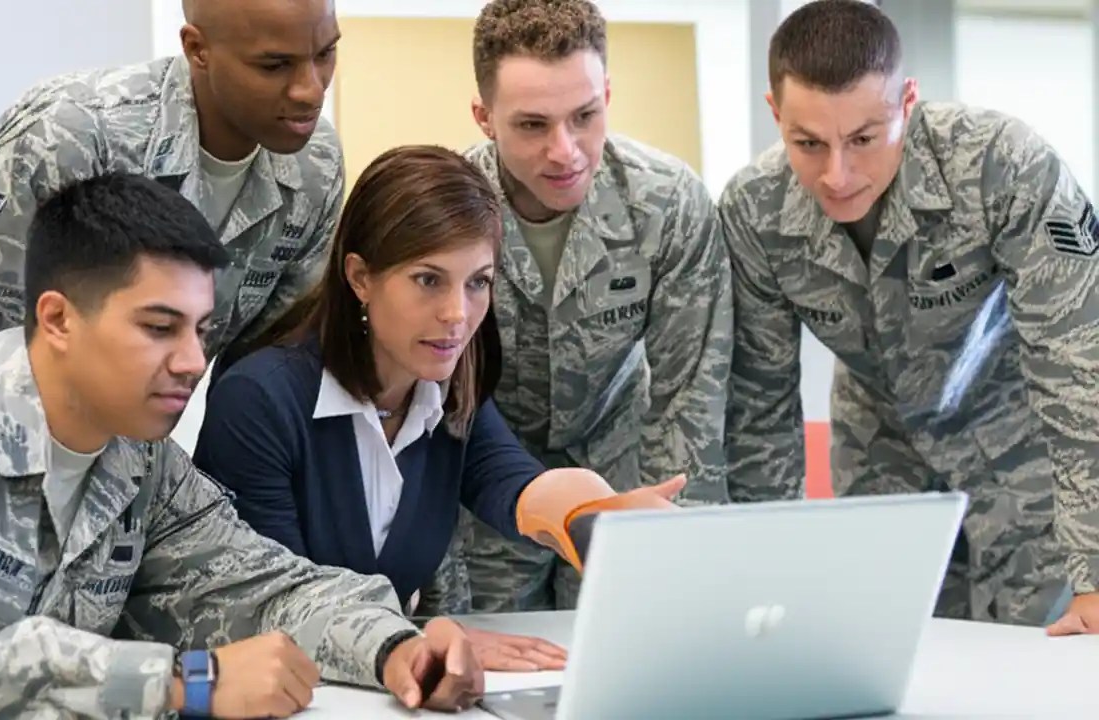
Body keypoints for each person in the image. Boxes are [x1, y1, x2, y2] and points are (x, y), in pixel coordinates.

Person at [0, 172, 484, 720]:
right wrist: (185, 683)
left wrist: (397, 649)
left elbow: (264, 587)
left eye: (200, 330)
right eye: (160, 328)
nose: (193, 361)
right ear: (58, 319)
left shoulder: (138, 459)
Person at [192, 144, 687, 670]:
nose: (457, 314)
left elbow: (516, 484)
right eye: (429, 280)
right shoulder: (258, 401)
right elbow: (278, 605)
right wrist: (415, 639)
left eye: (478, 283)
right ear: (360, 277)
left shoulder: (448, 390)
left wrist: (594, 514)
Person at [721, 0, 1099, 634]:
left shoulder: (1001, 166)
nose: (837, 175)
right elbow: (760, 414)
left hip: (1023, 450)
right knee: (889, 647)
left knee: (1037, 653)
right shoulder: (754, 211)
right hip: (880, 455)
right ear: (775, 114)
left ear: (908, 102)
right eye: (808, 143)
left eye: (864, 139)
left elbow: (1078, 362)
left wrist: (1095, 571)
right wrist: (769, 580)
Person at [449, 0, 736, 614]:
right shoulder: (446, 212)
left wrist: (683, 542)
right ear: (484, 117)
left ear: (607, 94)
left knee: (634, 652)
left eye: (585, 116)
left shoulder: (667, 204)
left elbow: (690, 397)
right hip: (489, 490)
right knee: (497, 662)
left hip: (624, 477)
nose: (565, 151)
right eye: (533, 125)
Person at [0, 0, 344, 380]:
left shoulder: (315, 167)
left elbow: (262, 379)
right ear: (197, 49)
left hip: (128, 453)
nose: (310, 91)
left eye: (325, 54)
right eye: (274, 65)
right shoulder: (73, 133)